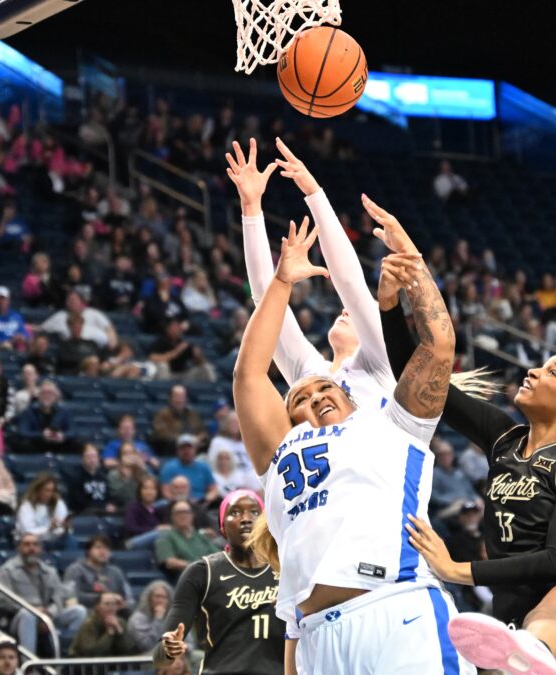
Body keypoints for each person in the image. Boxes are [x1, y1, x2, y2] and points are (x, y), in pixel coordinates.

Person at [381, 238, 556, 672]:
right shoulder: (503, 437)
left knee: (547, 620)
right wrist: (390, 305)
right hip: (513, 615)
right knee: (520, 641)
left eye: (552, 371)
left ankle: (531, 650)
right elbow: (418, 378)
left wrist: (459, 570)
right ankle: (527, 650)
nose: (534, 370)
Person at [233, 208, 472, 674]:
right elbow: (248, 372)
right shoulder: (279, 454)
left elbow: (439, 345)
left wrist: (412, 263)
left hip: (396, 608)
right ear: (289, 419)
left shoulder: (391, 422)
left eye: (328, 388)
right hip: (316, 634)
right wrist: (281, 282)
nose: (319, 393)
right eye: (302, 395)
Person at [235, 138, 395, 412]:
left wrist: (313, 192)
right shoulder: (308, 374)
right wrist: (251, 208)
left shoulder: (383, 364)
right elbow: (265, 298)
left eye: (355, 313)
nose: (346, 311)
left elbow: (350, 284)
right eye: (346, 311)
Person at [155, 491, 282, 674]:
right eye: (235, 512)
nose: (246, 519)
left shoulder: (287, 569)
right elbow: (159, 658)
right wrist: (167, 650)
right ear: (222, 524)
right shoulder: (201, 572)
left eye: (254, 512)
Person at [0, 533, 88, 656]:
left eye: (35, 544)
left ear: (41, 549)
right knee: (28, 614)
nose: (31, 548)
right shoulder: (7, 570)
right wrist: (34, 611)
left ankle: (70, 657)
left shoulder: (50, 571)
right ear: (19, 548)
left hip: (47, 616)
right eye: (27, 544)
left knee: (79, 611)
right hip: (19, 618)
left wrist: (48, 614)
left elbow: (58, 598)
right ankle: (29, 664)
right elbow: (3, 600)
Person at [154, 499, 219, 584]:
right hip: (185, 579)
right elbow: (170, 562)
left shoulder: (200, 536)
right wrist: (197, 567)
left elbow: (218, 556)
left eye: (186, 512)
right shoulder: (166, 537)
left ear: (192, 515)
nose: (183, 516)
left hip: (210, 576)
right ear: (172, 516)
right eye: (179, 513)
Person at [64, 535, 132, 610]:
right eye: (98, 547)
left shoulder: (116, 572)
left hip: (114, 612)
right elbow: (71, 597)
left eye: (107, 548)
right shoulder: (75, 569)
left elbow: (129, 598)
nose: (103, 552)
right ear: (88, 551)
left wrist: (123, 603)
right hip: (87, 612)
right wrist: (99, 598)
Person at [16, 473, 74, 550]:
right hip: (34, 541)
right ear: (38, 490)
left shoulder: (59, 503)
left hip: (55, 539)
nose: (50, 494)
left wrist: (66, 528)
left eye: (53, 491)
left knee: (71, 540)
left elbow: (62, 529)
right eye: (47, 490)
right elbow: (28, 532)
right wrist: (49, 529)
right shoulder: (26, 506)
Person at [70, 592, 134, 657]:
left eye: (113, 604)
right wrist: (109, 634)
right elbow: (92, 654)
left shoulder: (121, 622)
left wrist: (120, 632)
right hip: (83, 665)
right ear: (98, 607)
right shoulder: (89, 625)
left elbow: (132, 651)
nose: (111, 607)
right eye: (107, 604)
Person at [158, 435, 215, 502]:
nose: (186, 451)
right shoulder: (168, 468)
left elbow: (213, 490)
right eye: (183, 448)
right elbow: (165, 492)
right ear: (178, 451)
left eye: (189, 448)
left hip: (200, 502)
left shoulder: (204, 467)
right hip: (176, 502)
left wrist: (206, 499)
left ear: (195, 450)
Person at [151, 385, 207, 452]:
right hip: (171, 452)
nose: (180, 400)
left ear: (186, 399)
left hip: (194, 452)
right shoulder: (161, 415)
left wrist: (199, 438)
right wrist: (184, 440)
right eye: (177, 397)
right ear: (170, 399)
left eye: (182, 397)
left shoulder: (193, 415)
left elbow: (203, 432)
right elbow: (161, 435)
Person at [66, 444, 115, 514]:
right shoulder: (76, 478)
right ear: (82, 458)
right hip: (84, 514)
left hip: (103, 513)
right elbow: (78, 501)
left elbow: (110, 496)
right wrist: (102, 507)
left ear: (98, 458)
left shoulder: (103, 477)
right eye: (88, 457)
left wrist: (111, 504)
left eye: (94, 456)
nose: (92, 460)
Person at [128, 580, 171, 653]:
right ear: (149, 599)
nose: (160, 600)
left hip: (175, 654)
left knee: (197, 656)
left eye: (164, 597)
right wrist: (158, 620)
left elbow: (189, 642)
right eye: (157, 597)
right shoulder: (137, 619)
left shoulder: (173, 616)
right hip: (146, 656)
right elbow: (147, 645)